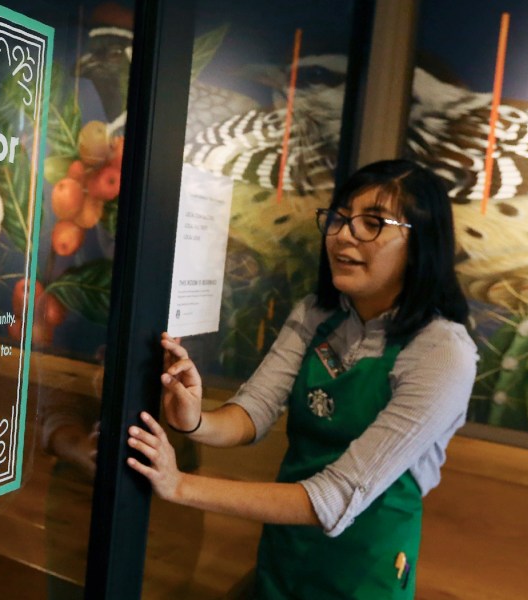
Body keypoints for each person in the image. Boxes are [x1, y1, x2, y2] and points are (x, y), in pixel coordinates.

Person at [126, 159, 478, 598]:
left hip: (363, 574)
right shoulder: (317, 315)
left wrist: (181, 485)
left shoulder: (443, 352)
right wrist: (196, 418)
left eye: (371, 223)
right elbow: (254, 412)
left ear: (421, 245)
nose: (344, 234)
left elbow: (334, 498)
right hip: (284, 554)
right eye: (340, 218)